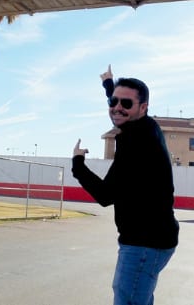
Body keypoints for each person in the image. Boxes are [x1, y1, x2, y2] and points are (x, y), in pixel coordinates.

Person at [72, 76, 178, 305]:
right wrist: (109, 86)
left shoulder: (137, 143)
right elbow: (122, 110)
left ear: (143, 107)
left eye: (126, 104)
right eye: (113, 101)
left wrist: (78, 165)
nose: (117, 108)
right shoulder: (146, 125)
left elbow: (105, 195)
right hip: (154, 240)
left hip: (144, 243)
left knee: (128, 298)